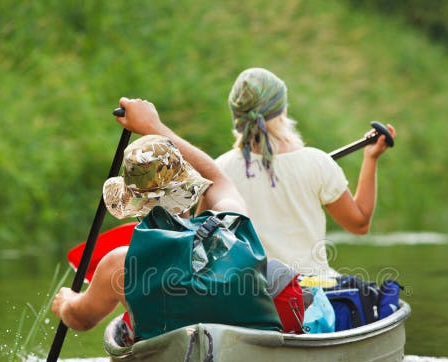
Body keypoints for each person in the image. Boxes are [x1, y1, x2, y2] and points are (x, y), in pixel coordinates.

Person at [51, 98, 247, 331]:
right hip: (240, 342)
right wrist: (153, 126)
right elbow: (217, 178)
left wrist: (66, 303)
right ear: (190, 190)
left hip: (173, 357)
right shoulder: (229, 219)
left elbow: (81, 319)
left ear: (133, 206)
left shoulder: (121, 262)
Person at [215, 67, 396, 276]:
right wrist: (371, 158)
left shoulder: (220, 170)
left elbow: (202, 237)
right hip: (310, 293)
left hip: (250, 293)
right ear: (281, 111)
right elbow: (360, 224)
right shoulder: (316, 162)